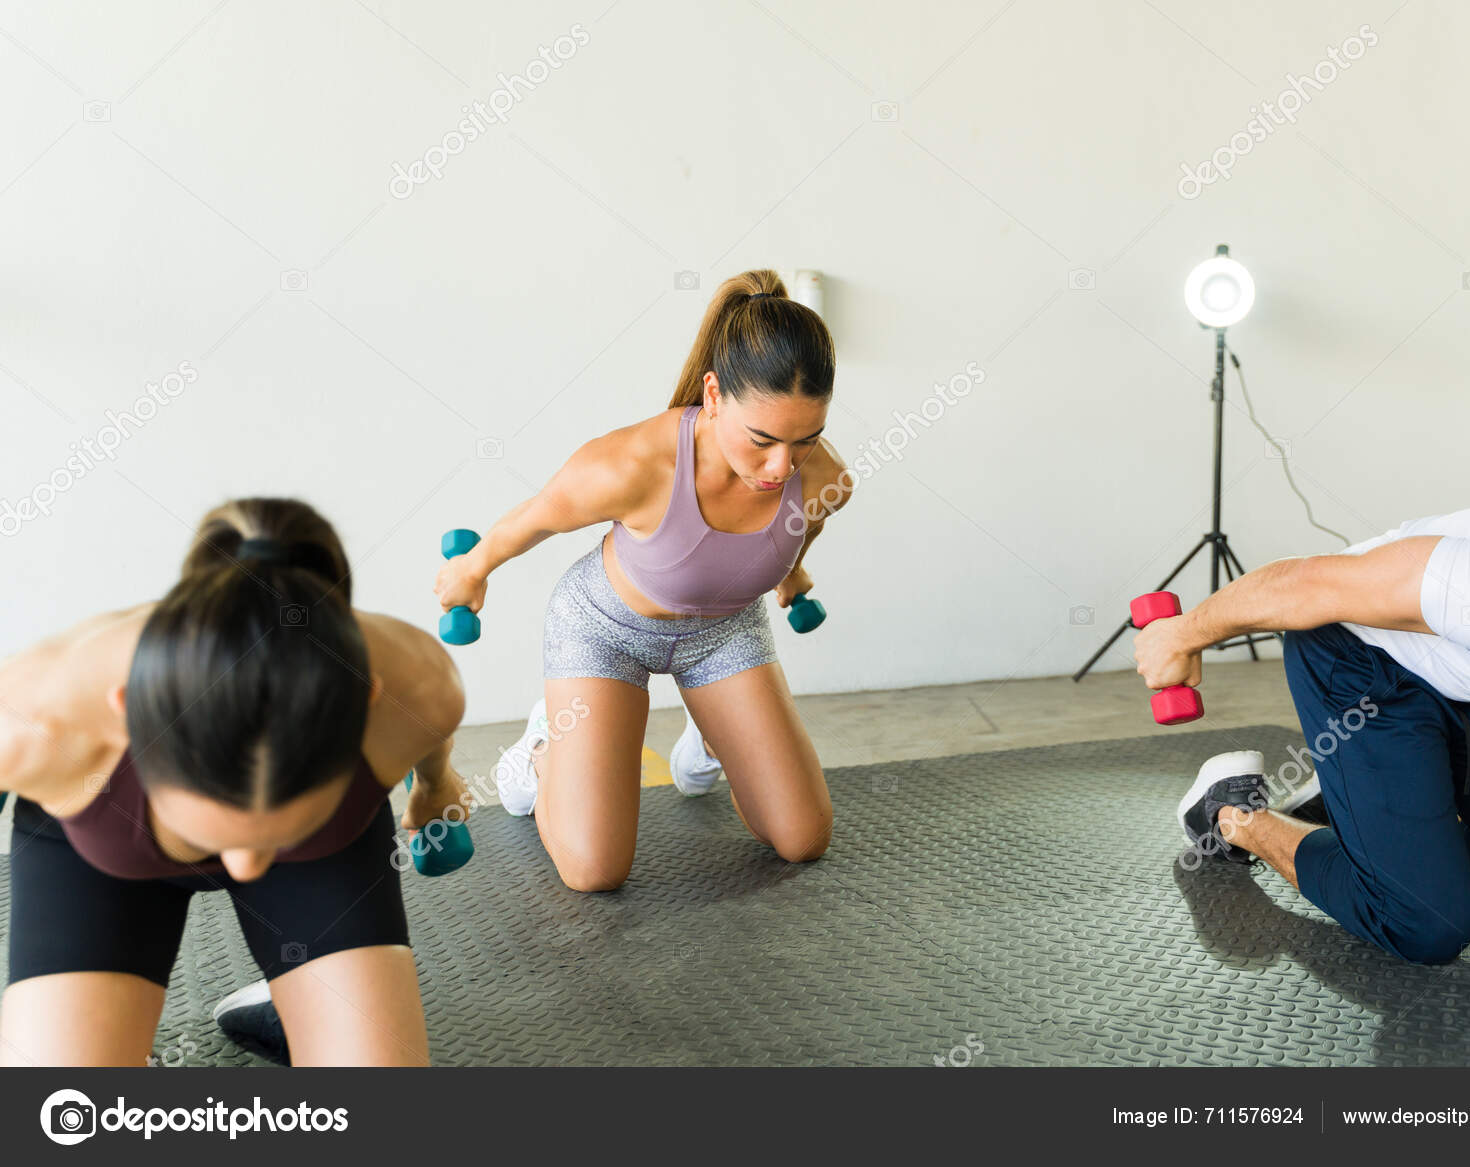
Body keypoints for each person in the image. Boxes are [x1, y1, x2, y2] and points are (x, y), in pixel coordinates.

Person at [0, 498, 470, 1065]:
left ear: (365, 705)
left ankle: (295, 998)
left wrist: (434, 789)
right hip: (94, 858)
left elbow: (430, 741)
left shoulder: (417, 686)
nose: (246, 867)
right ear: (128, 717)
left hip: (324, 860)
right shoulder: (36, 719)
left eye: (278, 832)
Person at [435, 270, 852, 891]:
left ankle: (711, 736)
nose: (781, 467)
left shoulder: (824, 480)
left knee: (802, 839)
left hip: (724, 633)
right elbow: (535, 517)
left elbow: (799, 533)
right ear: (713, 395)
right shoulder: (633, 464)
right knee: (595, 871)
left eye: (805, 440)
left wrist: (790, 579)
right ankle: (542, 752)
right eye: (762, 440)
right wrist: (471, 571)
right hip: (605, 630)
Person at [1145, 493, 1470, 964]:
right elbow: (1305, 583)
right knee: (1426, 925)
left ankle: (1361, 813)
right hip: (1369, 670)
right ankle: (1229, 814)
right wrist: (1181, 634)